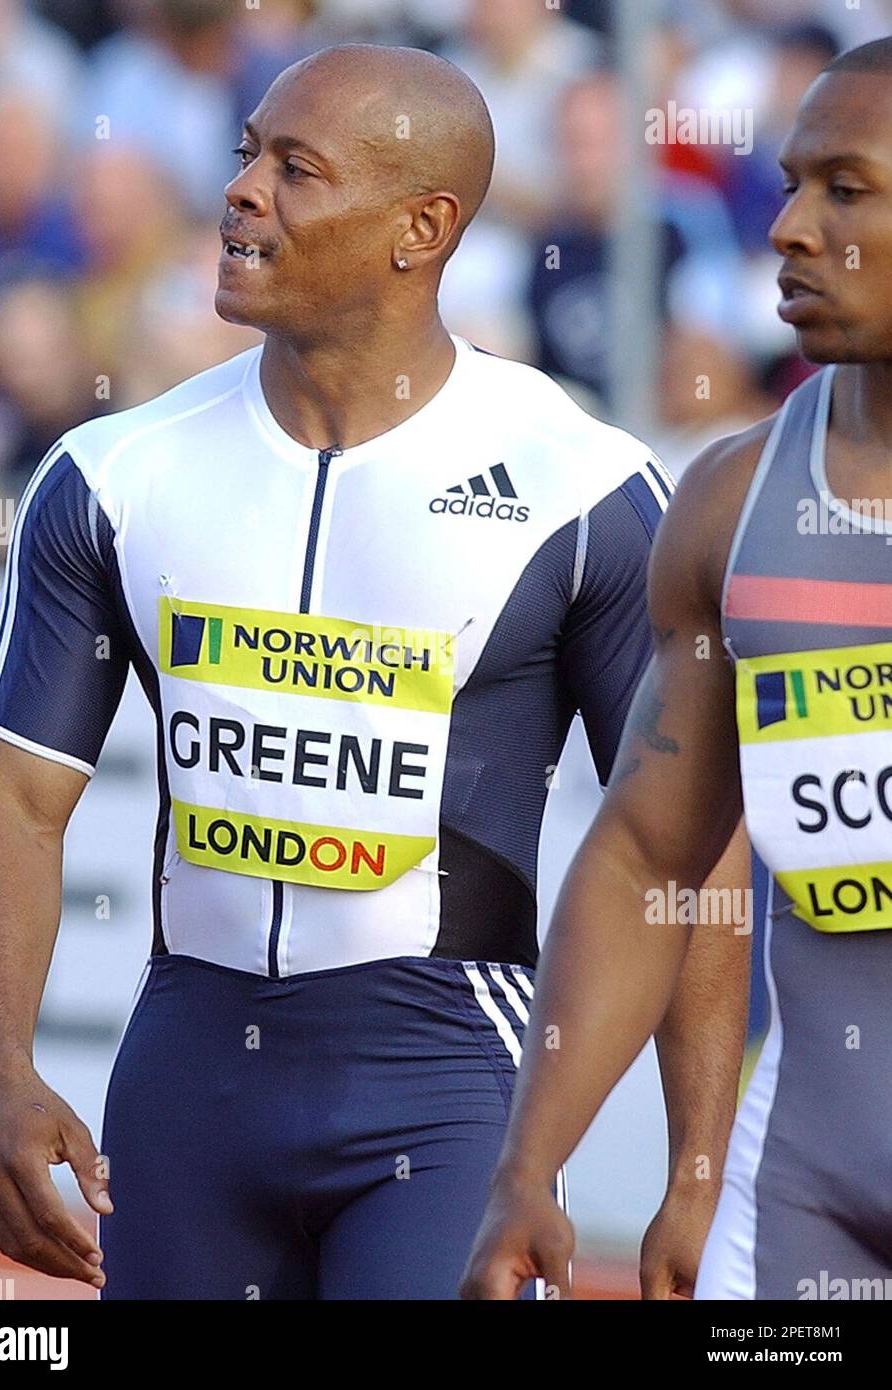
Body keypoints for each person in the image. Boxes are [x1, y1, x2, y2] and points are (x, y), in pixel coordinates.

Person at [0, 43, 746, 1301]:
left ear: (423, 228)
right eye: (247, 150)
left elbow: (692, 848)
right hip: (188, 1076)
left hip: (445, 1084)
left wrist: (698, 1169)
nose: (243, 190)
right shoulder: (110, 474)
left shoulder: (582, 490)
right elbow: (10, 796)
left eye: (295, 169)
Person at [462, 36, 892, 1302]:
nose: (790, 230)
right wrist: (530, 1164)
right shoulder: (730, 499)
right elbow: (654, 855)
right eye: (791, 184)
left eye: (848, 189)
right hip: (807, 1177)